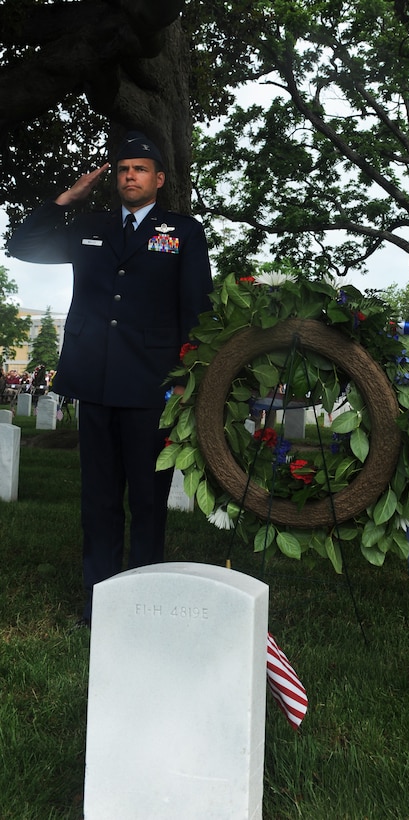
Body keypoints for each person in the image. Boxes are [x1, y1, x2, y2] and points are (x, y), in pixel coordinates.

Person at [7, 131, 213, 626]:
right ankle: (99, 598)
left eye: (140, 169)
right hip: (94, 378)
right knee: (98, 499)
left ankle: (143, 599)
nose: (129, 176)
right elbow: (22, 245)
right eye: (123, 169)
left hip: (151, 383)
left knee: (148, 497)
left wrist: (186, 379)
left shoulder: (183, 231)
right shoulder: (89, 225)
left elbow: (197, 310)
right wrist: (66, 199)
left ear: (158, 179)